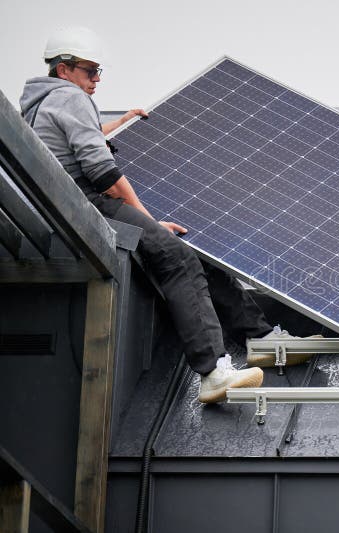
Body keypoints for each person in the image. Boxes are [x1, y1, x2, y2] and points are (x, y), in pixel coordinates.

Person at [20, 26, 293, 403]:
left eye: (100, 71)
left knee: (190, 250)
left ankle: (259, 337)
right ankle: (213, 371)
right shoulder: (70, 98)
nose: (96, 79)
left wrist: (117, 124)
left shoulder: (39, 105)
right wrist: (145, 216)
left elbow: (75, 140)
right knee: (178, 258)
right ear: (63, 69)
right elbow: (103, 174)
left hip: (67, 212)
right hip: (88, 205)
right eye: (89, 70)